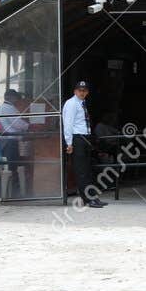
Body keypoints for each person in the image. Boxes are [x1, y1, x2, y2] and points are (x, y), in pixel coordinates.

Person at [61, 80, 104, 208]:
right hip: (77, 138)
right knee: (81, 171)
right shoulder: (71, 104)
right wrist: (68, 143)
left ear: (87, 92)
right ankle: (87, 199)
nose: (82, 92)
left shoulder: (81, 103)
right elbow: (68, 124)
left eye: (84, 90)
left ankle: (93, 197)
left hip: (84, 137)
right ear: (75, 91)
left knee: (87, 169)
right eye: (80, 90)